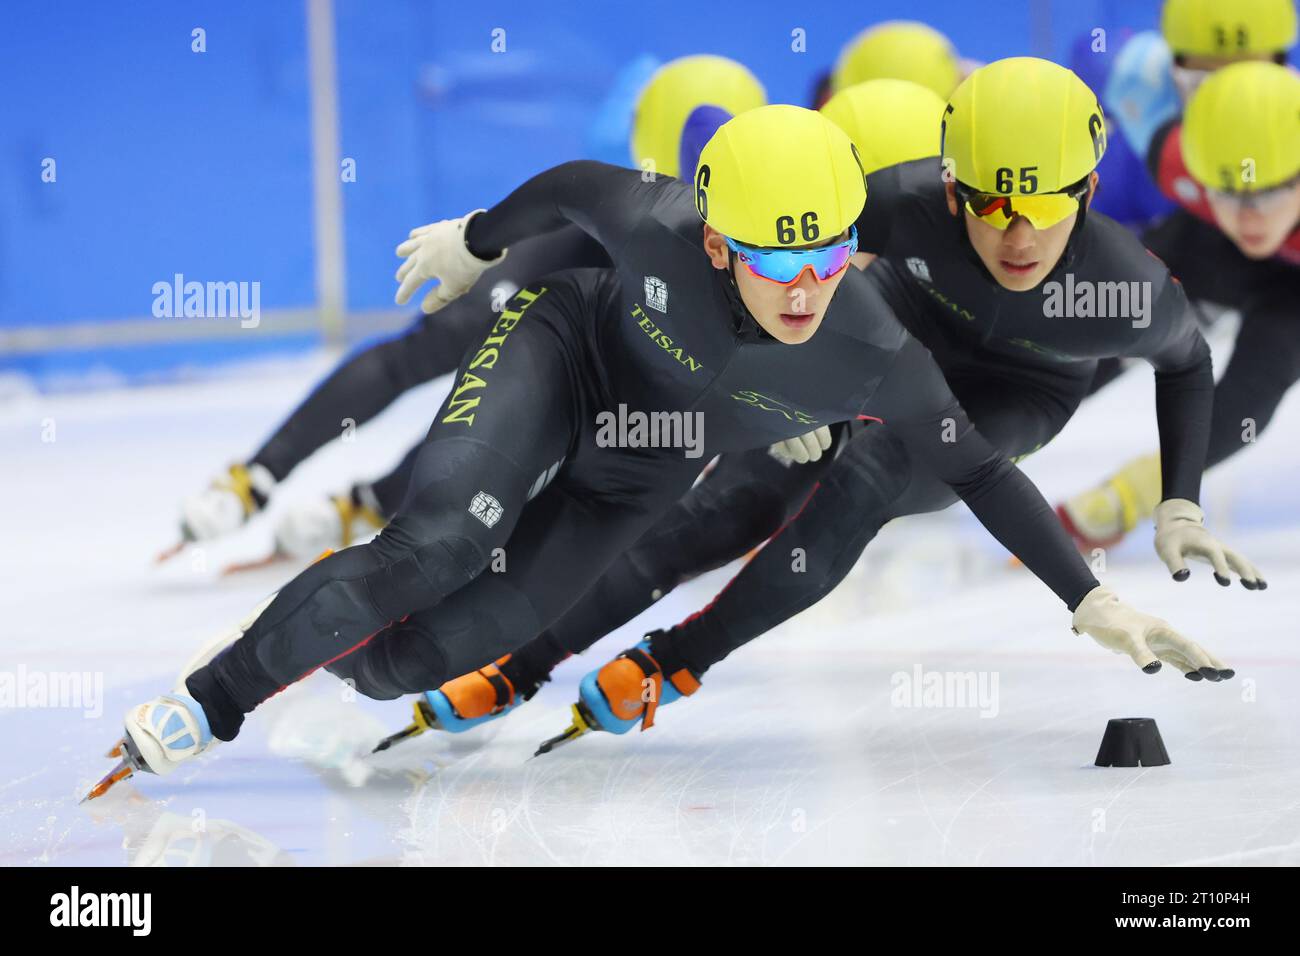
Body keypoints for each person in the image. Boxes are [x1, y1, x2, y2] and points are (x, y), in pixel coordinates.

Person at [90, 92, 1224, 797]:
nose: (806, 288)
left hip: (645, 467)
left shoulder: (877, 353)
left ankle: (304, 630)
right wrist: (475, 241)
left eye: (829, 256)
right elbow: (578, 192)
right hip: (564, 359)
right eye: (776, 260)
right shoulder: (660, 224)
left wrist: (1085, 598)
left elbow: (977, 466)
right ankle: (213, 697)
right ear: (718, 240)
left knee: (413, 659)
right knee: (429, 549)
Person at [379, 60, 1260, 753]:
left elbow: (1185, 368)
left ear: (1091, 193)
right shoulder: (904, 203)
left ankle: (679, 661)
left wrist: (1177, 496)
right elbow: (742, 238)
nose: (1014, 234)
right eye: (987, 202)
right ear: (950, 187)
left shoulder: (1128, 290)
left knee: (871, 473)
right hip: (894, 349)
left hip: (1017, 392)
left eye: (1041, 205)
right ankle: (522, 661)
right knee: (729, 499)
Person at [170, 55, 765, 559]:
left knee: (523, 401)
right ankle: (259, 475)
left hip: (632, 268)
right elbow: (569, 189)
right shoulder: (650, 111)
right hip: (583, 241)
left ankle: (371, 500)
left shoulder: (743, 190)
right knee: (446, 341)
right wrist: (478, 242)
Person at [1059, 60, 1300, 547]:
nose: (1249, 214)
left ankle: (1127, 496)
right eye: (1227, 192)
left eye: (1271, 191)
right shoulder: (1175, 162)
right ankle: (959, 426)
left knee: (1250, 396)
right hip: (1210, 243)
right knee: (1103, 327)